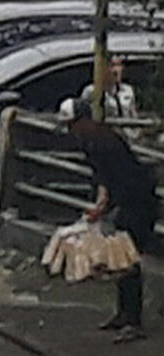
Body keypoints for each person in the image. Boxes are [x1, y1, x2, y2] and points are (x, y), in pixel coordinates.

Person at [67, 95, 158, 342]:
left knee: (128, 259)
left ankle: (134, 319)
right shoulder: (90, 143)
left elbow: (124, 180)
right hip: (123, 202)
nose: (71, 131)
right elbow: (102, 178)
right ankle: (123, 313)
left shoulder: (107, 142)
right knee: (118, 260)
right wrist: (102, 204)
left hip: (139, 203)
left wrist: (109, 207)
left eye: (73, 124)